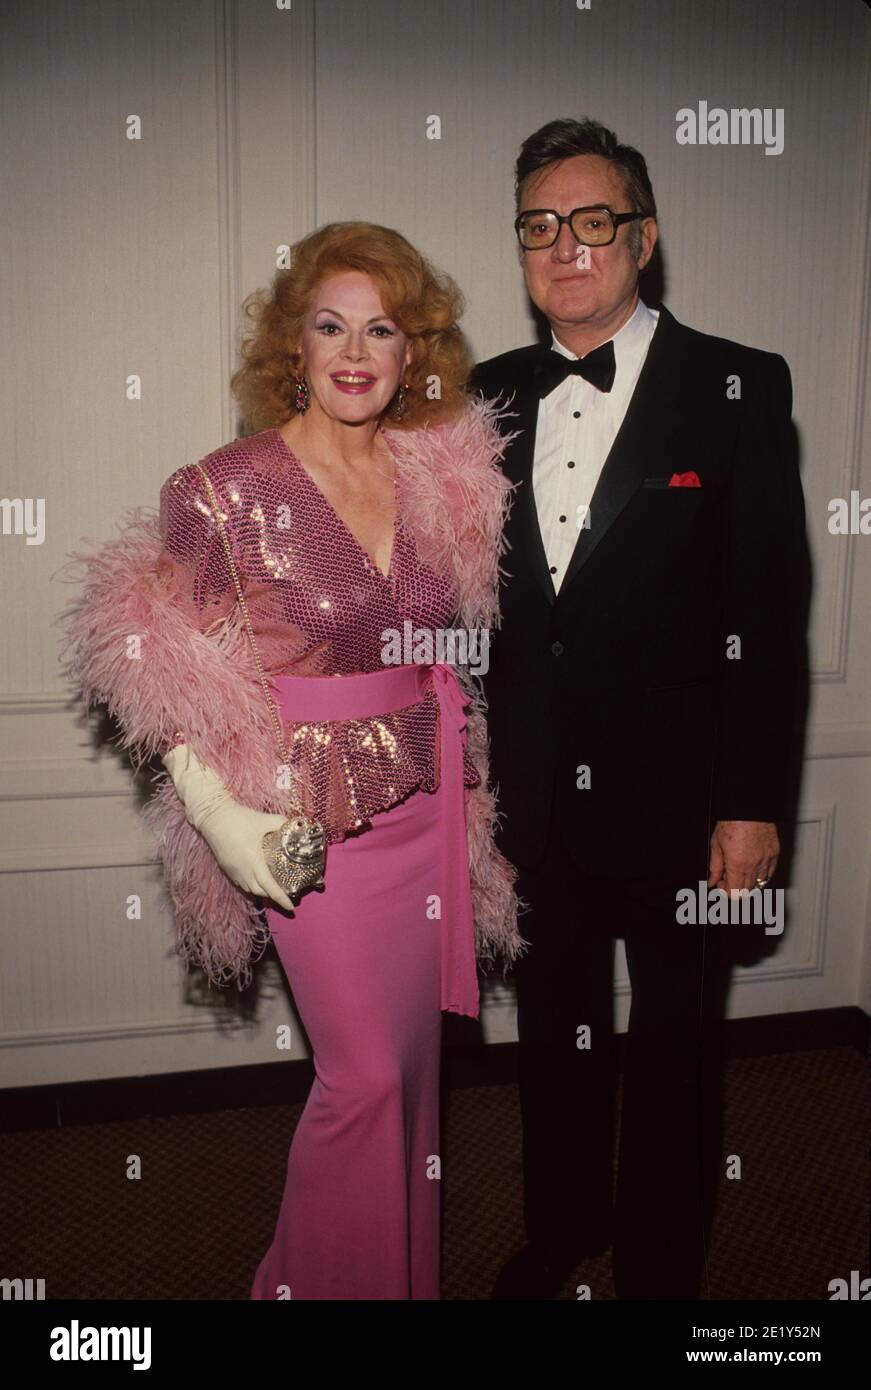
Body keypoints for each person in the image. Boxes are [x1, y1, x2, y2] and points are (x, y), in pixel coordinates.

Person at [60, 221, 525, 1301]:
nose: (356, 350)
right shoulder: (223, 489)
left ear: (416, 353)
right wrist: (224, 818)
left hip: (423, 806)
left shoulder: (437, 480)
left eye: (382, 328)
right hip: (306, 826)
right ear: (294, 345)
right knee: (362, 1079)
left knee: (408, 1080)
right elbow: (161, 666)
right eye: (330, 325)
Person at [469, 118, 810, 1300]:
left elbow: (769, 620)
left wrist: (753, 807)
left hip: (682, 809)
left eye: (594, 220)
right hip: (532, 807)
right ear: (521, 247)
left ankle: (662, 1272)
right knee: (554, 1041)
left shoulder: (736, 384)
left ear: (642, 236)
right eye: (540, 226)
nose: (567, 246)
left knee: (673, 1051)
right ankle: (561, 1231)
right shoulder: (485, 396)